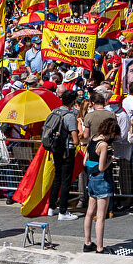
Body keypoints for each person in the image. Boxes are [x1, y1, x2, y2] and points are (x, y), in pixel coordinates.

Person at [82, 117, 120, 253]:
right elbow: (102, 167)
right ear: (111, 132)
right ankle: (99, 247)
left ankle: (87, 243)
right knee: (100, 216)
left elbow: (85, 161)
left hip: (92, 179)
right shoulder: (103, 145)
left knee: (89, 213)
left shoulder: (93, 139)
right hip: (102, 180)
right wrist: (111, 159)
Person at [45, 90, 81, 220]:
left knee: (57, 178)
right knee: (66, 181)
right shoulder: (69, 116)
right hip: (67, 150)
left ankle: (51, 207)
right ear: (73, 101)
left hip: (56, 149)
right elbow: (75, 139)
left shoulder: (55, 112)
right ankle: (63, 211)